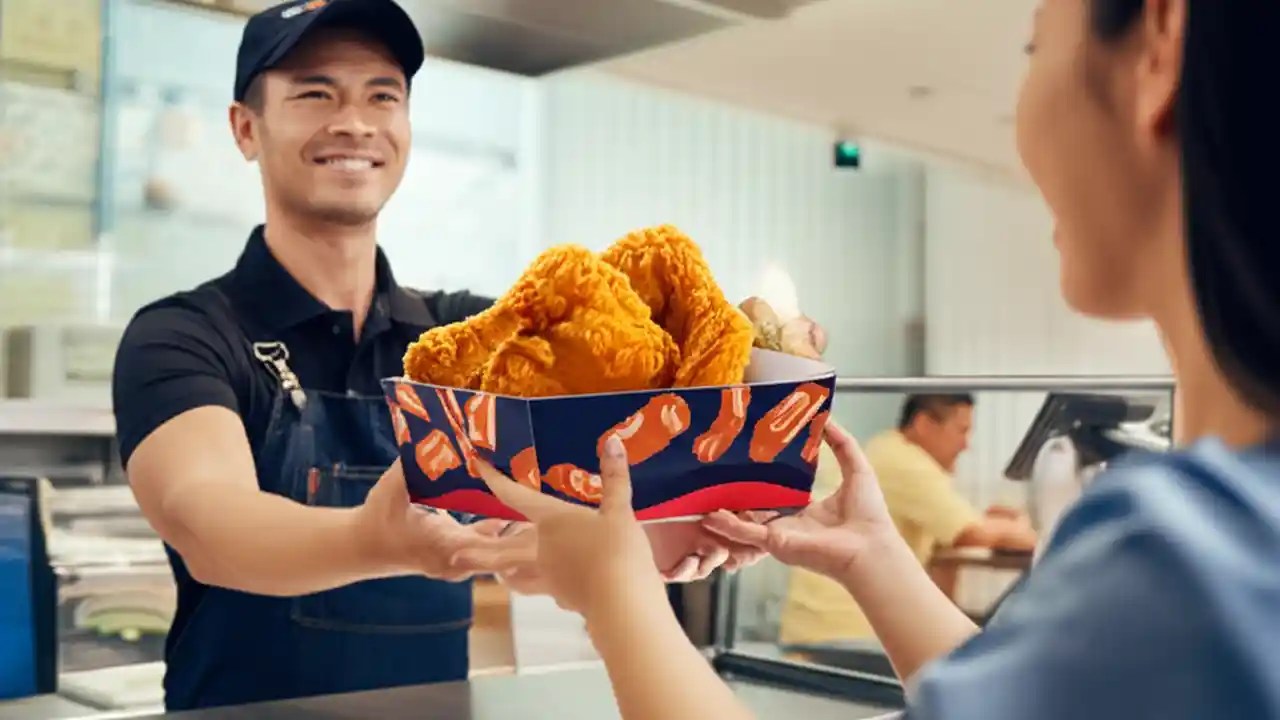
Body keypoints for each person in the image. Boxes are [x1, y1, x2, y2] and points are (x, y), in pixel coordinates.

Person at [475, 1, 1280, 717]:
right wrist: (876, 562)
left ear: (1160, 43)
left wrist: (615, 597)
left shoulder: (1188, 562)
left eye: (1035, 50)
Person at [112, 0, 754, 711]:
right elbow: (209, 523)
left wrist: (676, 521)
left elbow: (572, 505)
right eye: (314, 93)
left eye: (382, 95)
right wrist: (373, 538)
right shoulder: (185, 335)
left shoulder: (473, 335)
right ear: (245, 128)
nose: (354, 121)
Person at [779, 394, 1037, 645]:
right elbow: (973, 534)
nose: (965, 445)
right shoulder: (904, 463)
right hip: (842, 636)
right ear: (925, 424)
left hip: (829, 629)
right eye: (961, 431)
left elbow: (960, 534)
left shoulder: (888, 451)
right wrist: (1059, 532)